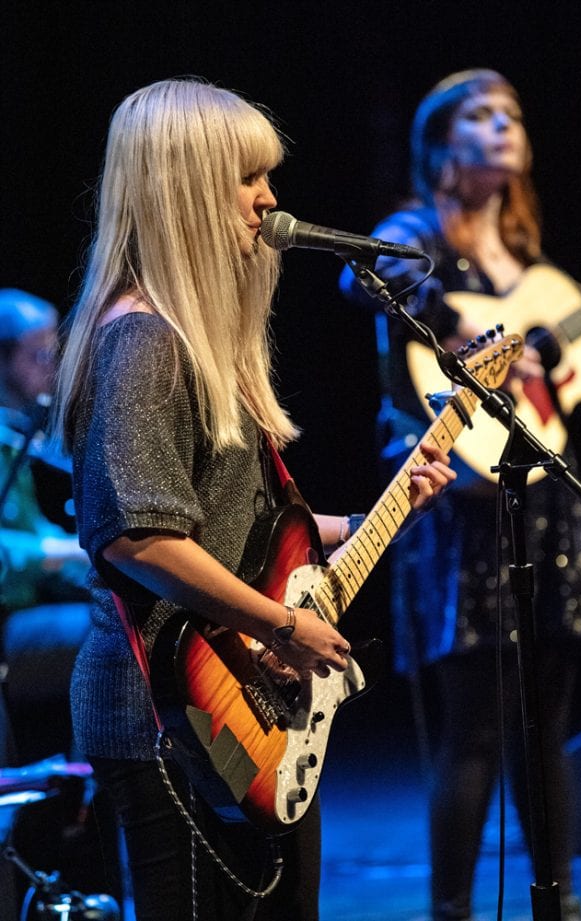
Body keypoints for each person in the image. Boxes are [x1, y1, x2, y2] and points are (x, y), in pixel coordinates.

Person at [51, 77, 456, 921]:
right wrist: (280, 623)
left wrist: (383, 508)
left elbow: (228, 524)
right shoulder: (144, 341)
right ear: (182, 188)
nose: (269, 198)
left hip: (236, 709)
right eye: (245, 177)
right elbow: (140, 538)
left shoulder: (191, 341)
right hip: (167, 716)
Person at [339, 69, 581, 921]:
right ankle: (454, 910)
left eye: (512, 116)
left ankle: (558, 901)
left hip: (543, 497)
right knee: (475, 726)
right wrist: (471, 335)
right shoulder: (415, 231)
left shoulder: (533, 264)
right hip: (458, 501)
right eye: (481, 116)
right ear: (442, 144)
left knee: (545, 719)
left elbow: (572, 375)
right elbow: (364, 276)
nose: (504, 127)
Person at [0, 288, 90, 764]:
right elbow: (10, 555)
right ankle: (88, 791)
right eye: (41, 353)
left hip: (24, 614)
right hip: (6, 626)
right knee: (106, 635)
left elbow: (37, 535)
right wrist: (73, 552)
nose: (52, 366)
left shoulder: (18, 433)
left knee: (125, 613)